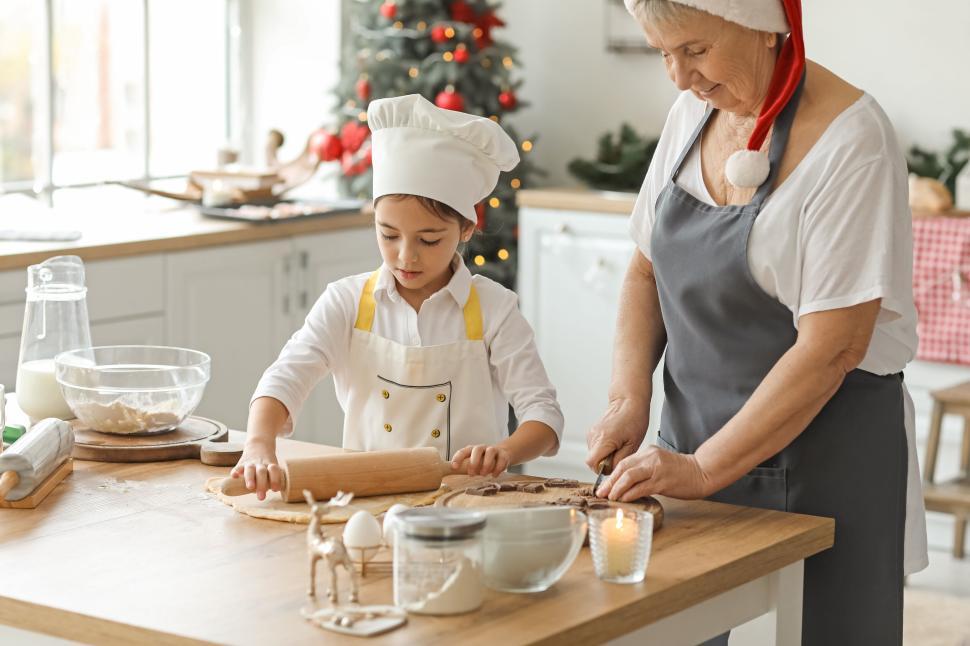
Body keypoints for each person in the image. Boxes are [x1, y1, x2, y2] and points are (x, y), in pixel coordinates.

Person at [586, 1, 927, 643]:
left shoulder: (853, 139)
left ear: (761, 24)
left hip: (825, 466)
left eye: (694, 50)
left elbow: (833, 348)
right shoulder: (693, 113)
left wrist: (707, 469)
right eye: (664, 54)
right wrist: (627, 400)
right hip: (689, 452)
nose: (679, 77)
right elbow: (646, 271)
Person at [233, 94, 563, 500]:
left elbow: (544, 417)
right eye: (388, 235)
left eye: (429, 239)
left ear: (465, 230)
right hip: (365, 503)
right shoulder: (346, 302)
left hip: (470, 502)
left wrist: (504, 452)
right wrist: (258, 444)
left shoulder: (494, 309)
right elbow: (286, 376)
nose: (406, 256)